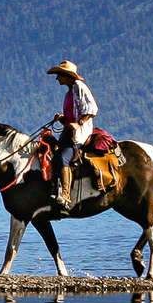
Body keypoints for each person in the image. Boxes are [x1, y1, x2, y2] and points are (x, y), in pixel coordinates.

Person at [47, 59, 98, 211]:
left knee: (64, 157)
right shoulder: (69, 92)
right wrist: (62, 119)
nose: (57, 79)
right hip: (70, 131)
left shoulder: (79, 87)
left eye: (59, 75)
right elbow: (71, 118)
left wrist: (80, 123)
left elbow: (92, 109)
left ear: (66, 75)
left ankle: (66, 195)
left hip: (80, 133)